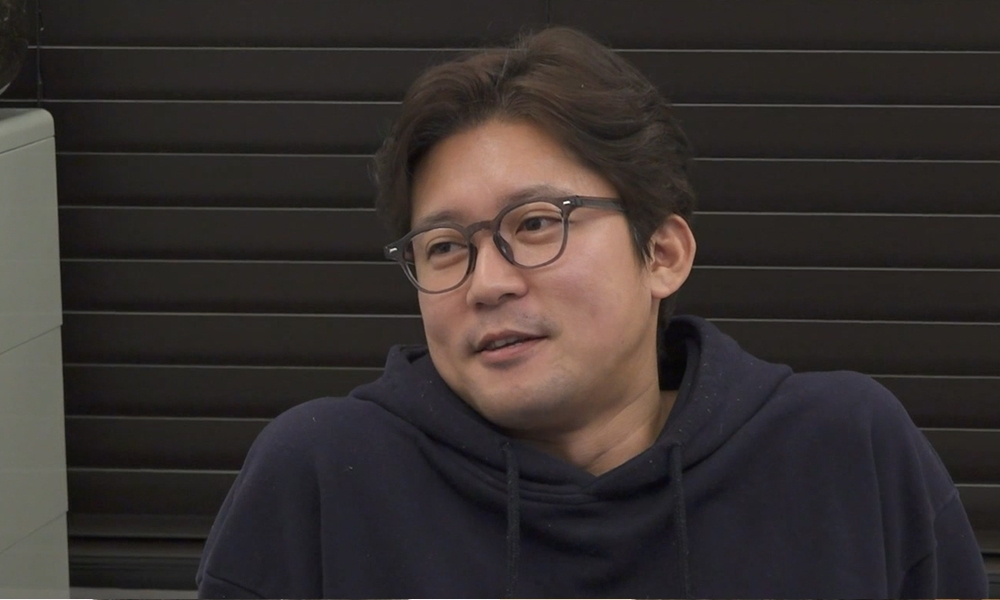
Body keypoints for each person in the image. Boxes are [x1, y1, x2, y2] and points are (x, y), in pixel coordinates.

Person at [196, 27, 988, 598]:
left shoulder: (844, 454)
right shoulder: (323, 476)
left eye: (537, 224)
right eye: (443, 247)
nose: (486, 283)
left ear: (663, 254)